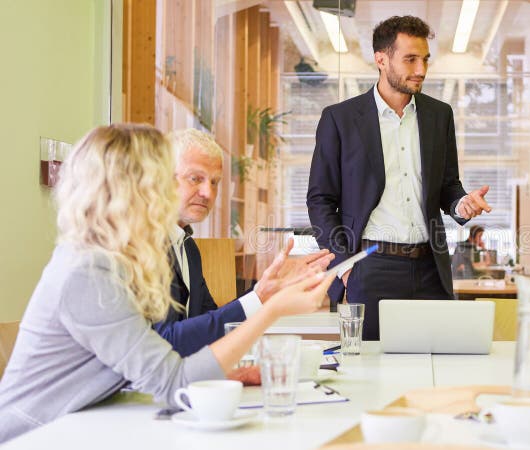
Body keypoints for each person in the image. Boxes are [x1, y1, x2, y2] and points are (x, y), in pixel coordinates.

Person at [0, 124, 335, 442]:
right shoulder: (87, 273)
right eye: (166, 181)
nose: (187, 193)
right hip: (38, 437)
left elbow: (166, 366)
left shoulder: (113, 258)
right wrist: (270, 308)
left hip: (86, 425)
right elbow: (173, 380)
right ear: (133, 191)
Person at [307, 15, 492, 340]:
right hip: (370, 269)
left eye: (425, 59)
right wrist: (345, 267)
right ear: (381, 59)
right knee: (371, 375)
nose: (421, 69)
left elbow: (447, 186)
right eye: (410, 59)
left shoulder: (439, 115)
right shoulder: (340, 119)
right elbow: (320, 199)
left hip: (430, 268)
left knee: (434, 369)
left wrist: (462, 205)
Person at [154, 129, 334, 356]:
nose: (208, 193)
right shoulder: (145, 247)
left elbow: (207, 322)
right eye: (195, 179)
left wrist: (264, 290)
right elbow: (166, 342)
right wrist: (261, 297)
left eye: (215, 182)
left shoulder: (188, 247)